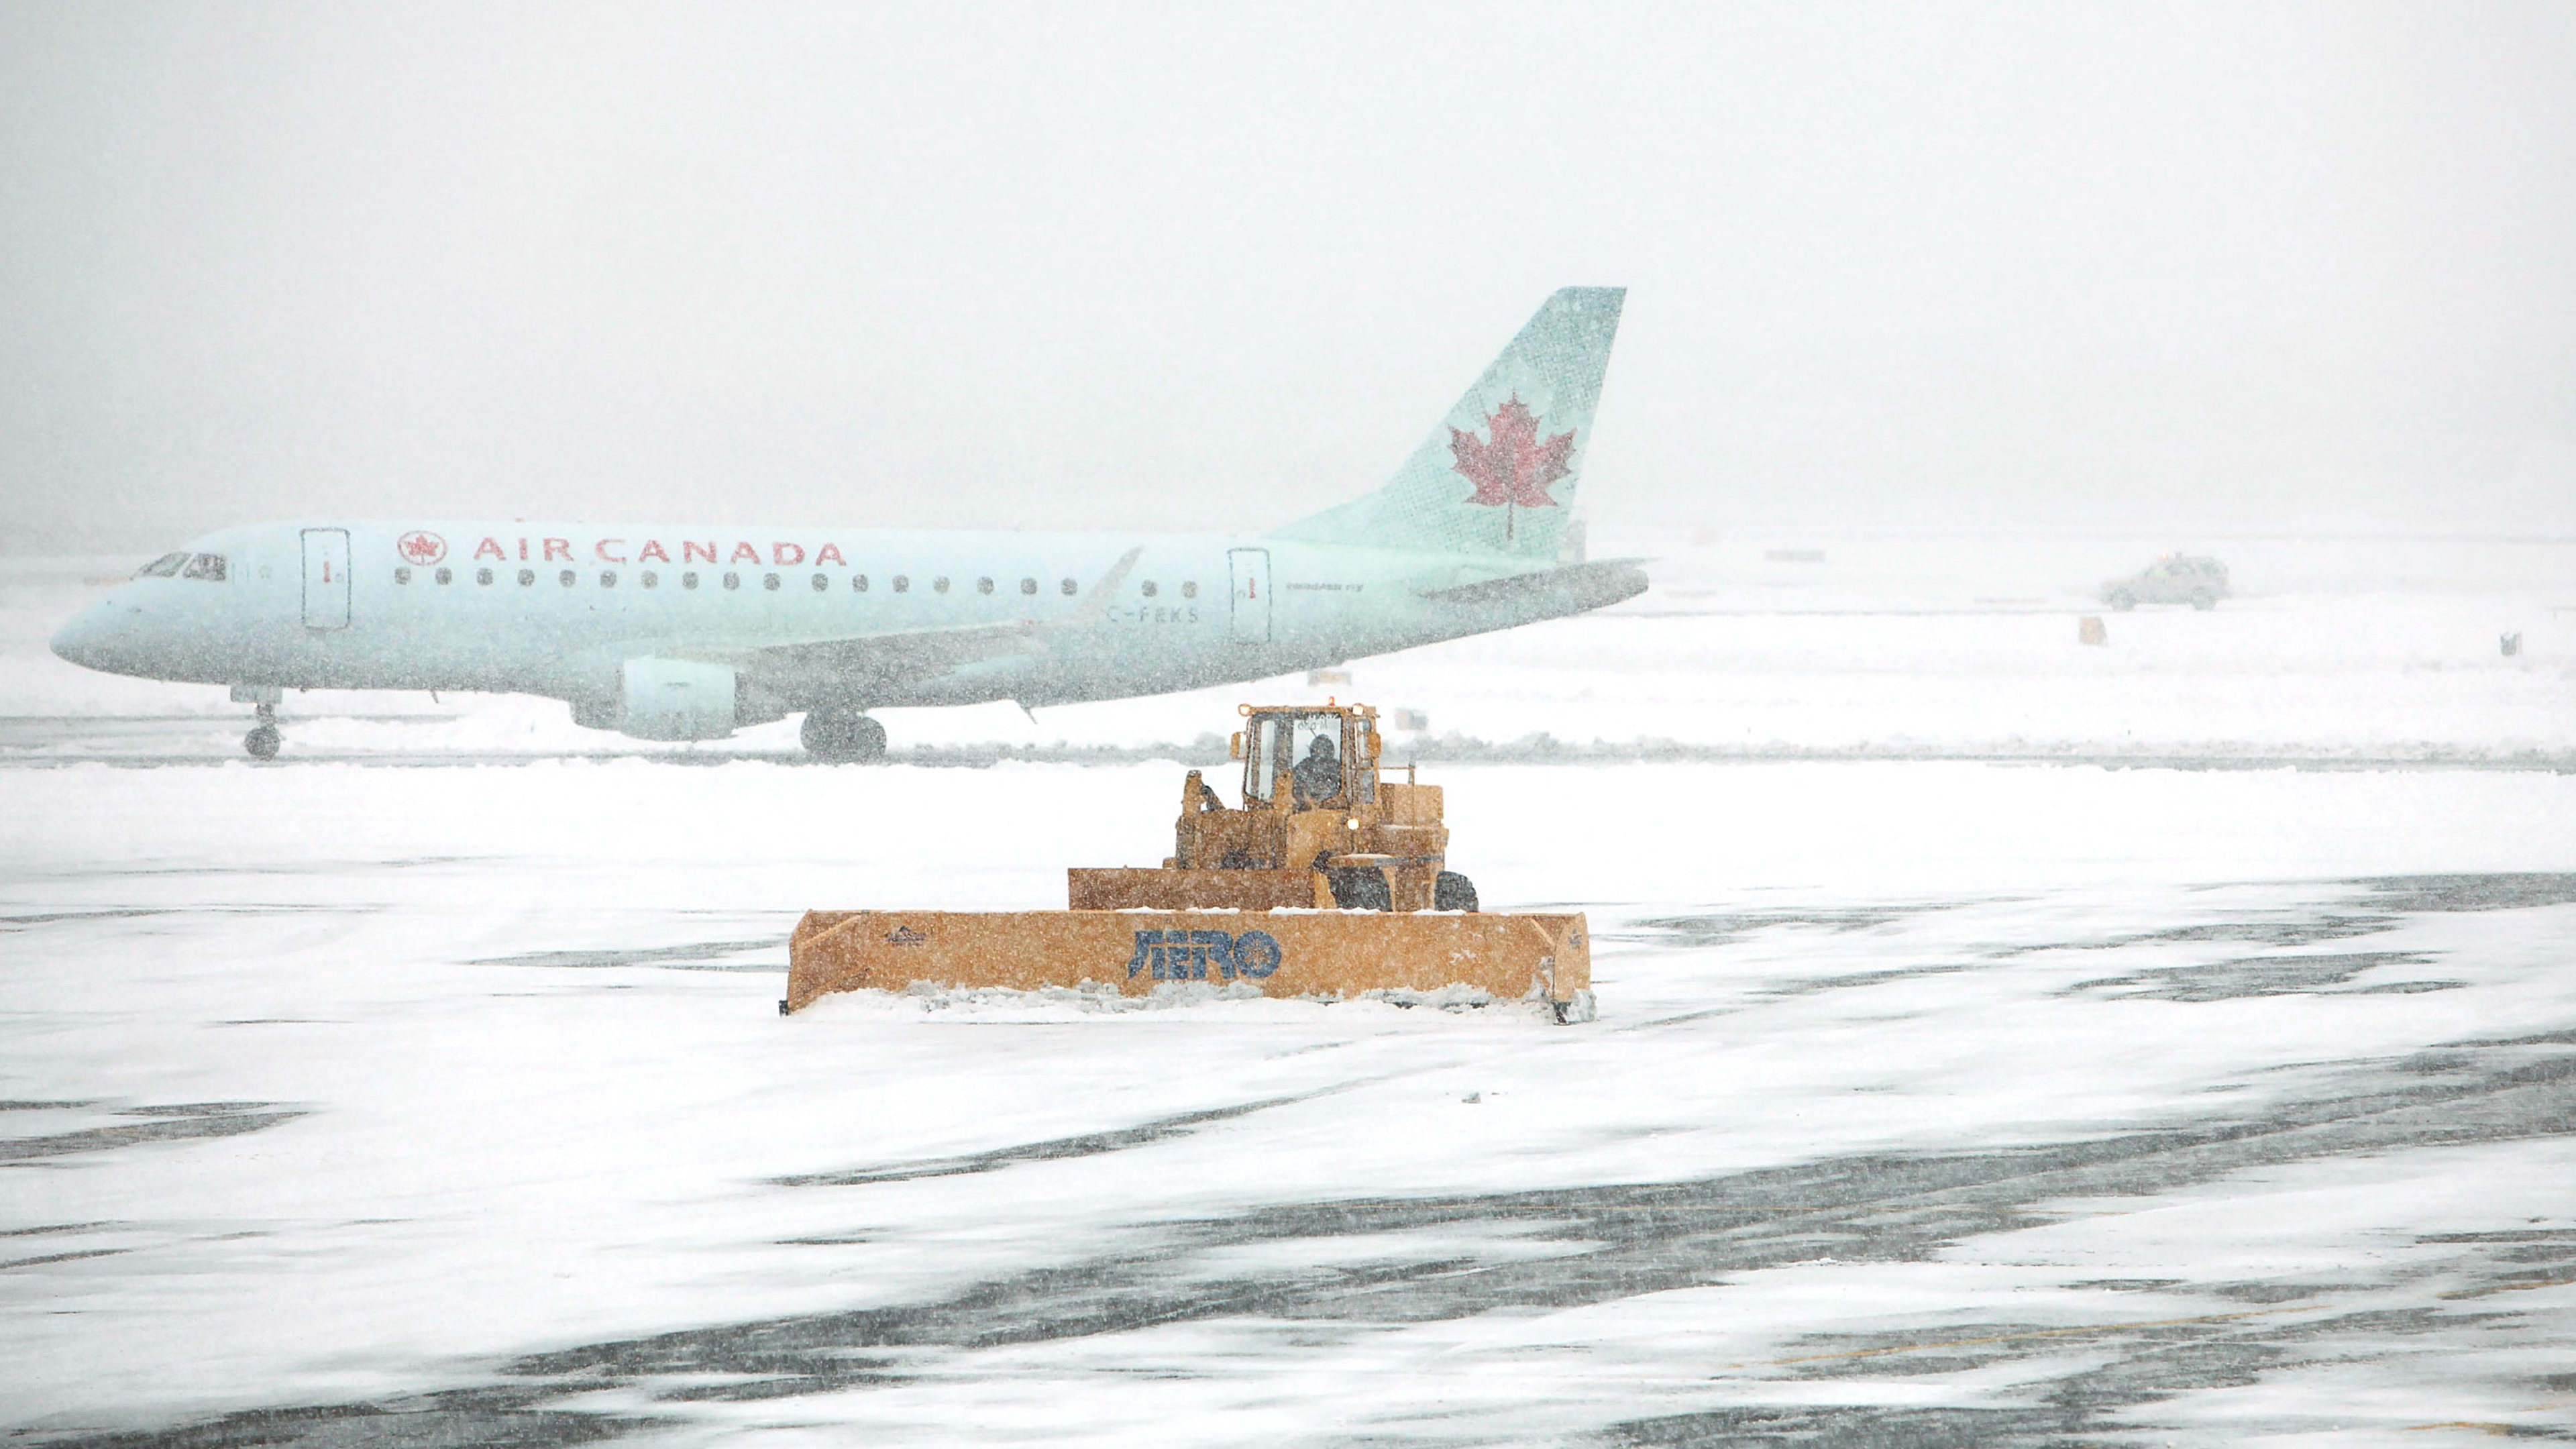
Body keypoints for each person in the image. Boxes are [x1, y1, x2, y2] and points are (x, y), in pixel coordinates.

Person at [1291, 735, 1342, 808]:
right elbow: (1295, 788)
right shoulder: (1303, 767)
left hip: (1332, 809)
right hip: (1305, 810)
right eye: (1318, 750)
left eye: (1324, 750)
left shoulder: (1337, 768)